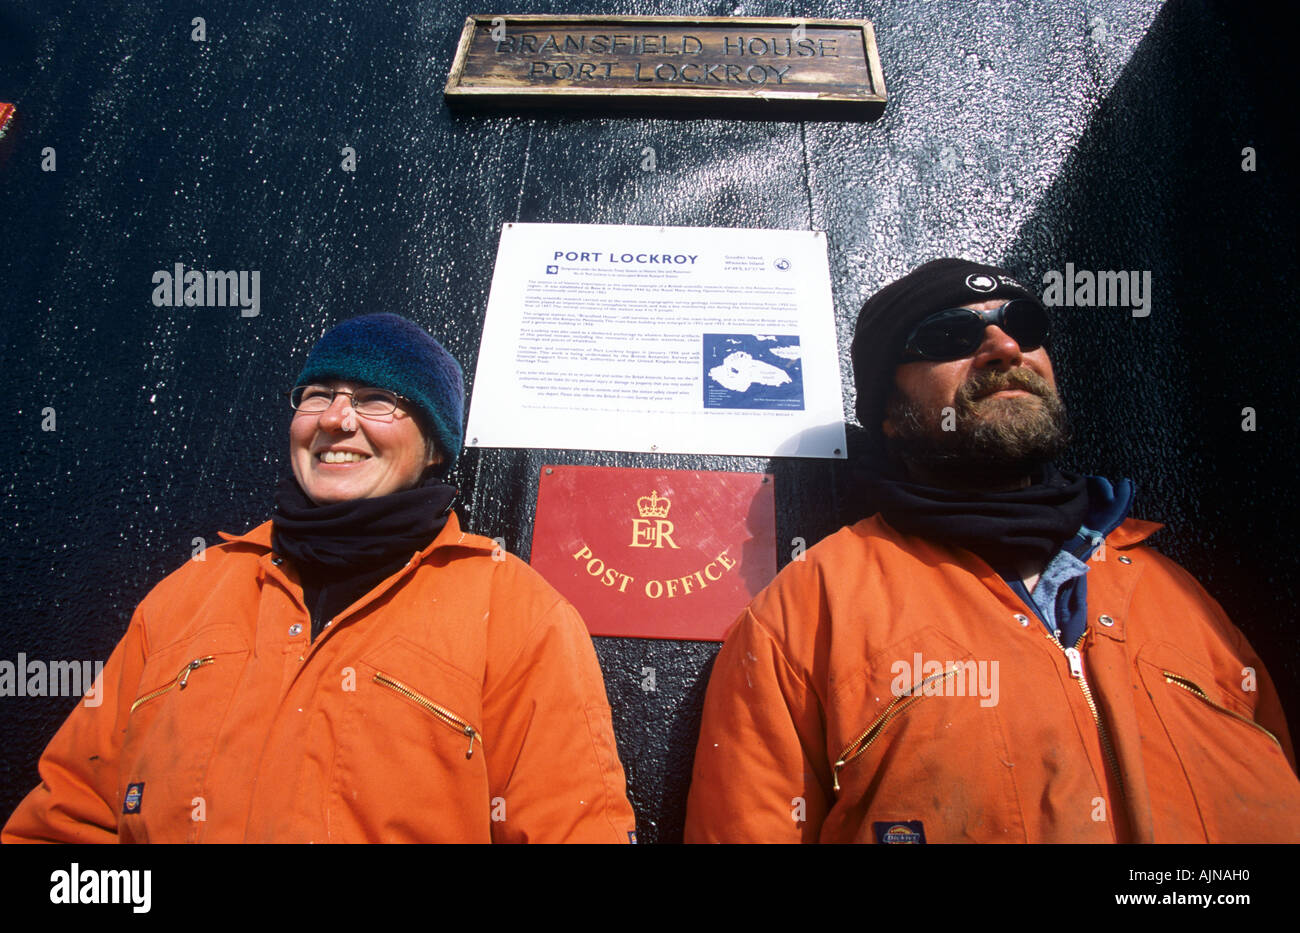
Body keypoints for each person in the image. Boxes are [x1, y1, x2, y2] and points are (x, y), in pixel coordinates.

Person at [684, 258, 1300, 843]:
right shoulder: (806, 614)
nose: (1006, 347)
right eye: (951, 334)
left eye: (1025, 326)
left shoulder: (1185, 601)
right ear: (890, 415)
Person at [4, 312, 636, 843]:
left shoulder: (520, 617)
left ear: (437, 446)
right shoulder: (184, 599)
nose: (336, 419)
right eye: (318, 394)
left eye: (376, 399)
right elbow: (65, 824)